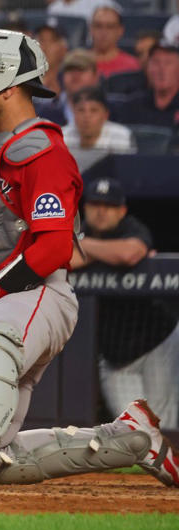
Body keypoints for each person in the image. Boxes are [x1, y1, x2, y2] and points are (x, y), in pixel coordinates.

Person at [0, 28, 178, 489]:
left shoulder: (42, 150)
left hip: (36, 293)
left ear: (5, 82)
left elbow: (51, 247)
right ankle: (131, 439)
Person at [71, 178, 179, 429]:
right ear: (85, 207)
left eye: (108, 206)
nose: (101, 211)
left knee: (168, 423)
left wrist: (85, 245)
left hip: (158, 342)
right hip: (115, 355)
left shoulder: (131, 227)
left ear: (121, 210)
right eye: (96, 204)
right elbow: (65, 258)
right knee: (131, 428)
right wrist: (108, 254)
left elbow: (130, 253)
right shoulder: (80, 228)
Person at [112, 40, 179, 129]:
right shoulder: (132, 107)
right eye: (156, 62)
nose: (161, 69)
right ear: (148, 69)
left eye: (168, 63)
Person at [36, 49, 100, 126]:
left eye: (81, 69)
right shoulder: (45, 111)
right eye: (70, 69)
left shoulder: (109, 110)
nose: (75, 75)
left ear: (95, 76)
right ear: (62, 76)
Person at [62, 86, 134, 152]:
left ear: (105, 115)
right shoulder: (61, 137)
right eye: (81, 110)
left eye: (94, 110)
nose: (87, 116)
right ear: (73, 113)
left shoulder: (120, 136)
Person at [89, 5, 140, 78]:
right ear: (91, 29)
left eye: (110, 27)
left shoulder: (132, 66)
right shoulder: (78, 63)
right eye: (98, 26)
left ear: (120, 31)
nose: (103, 32)